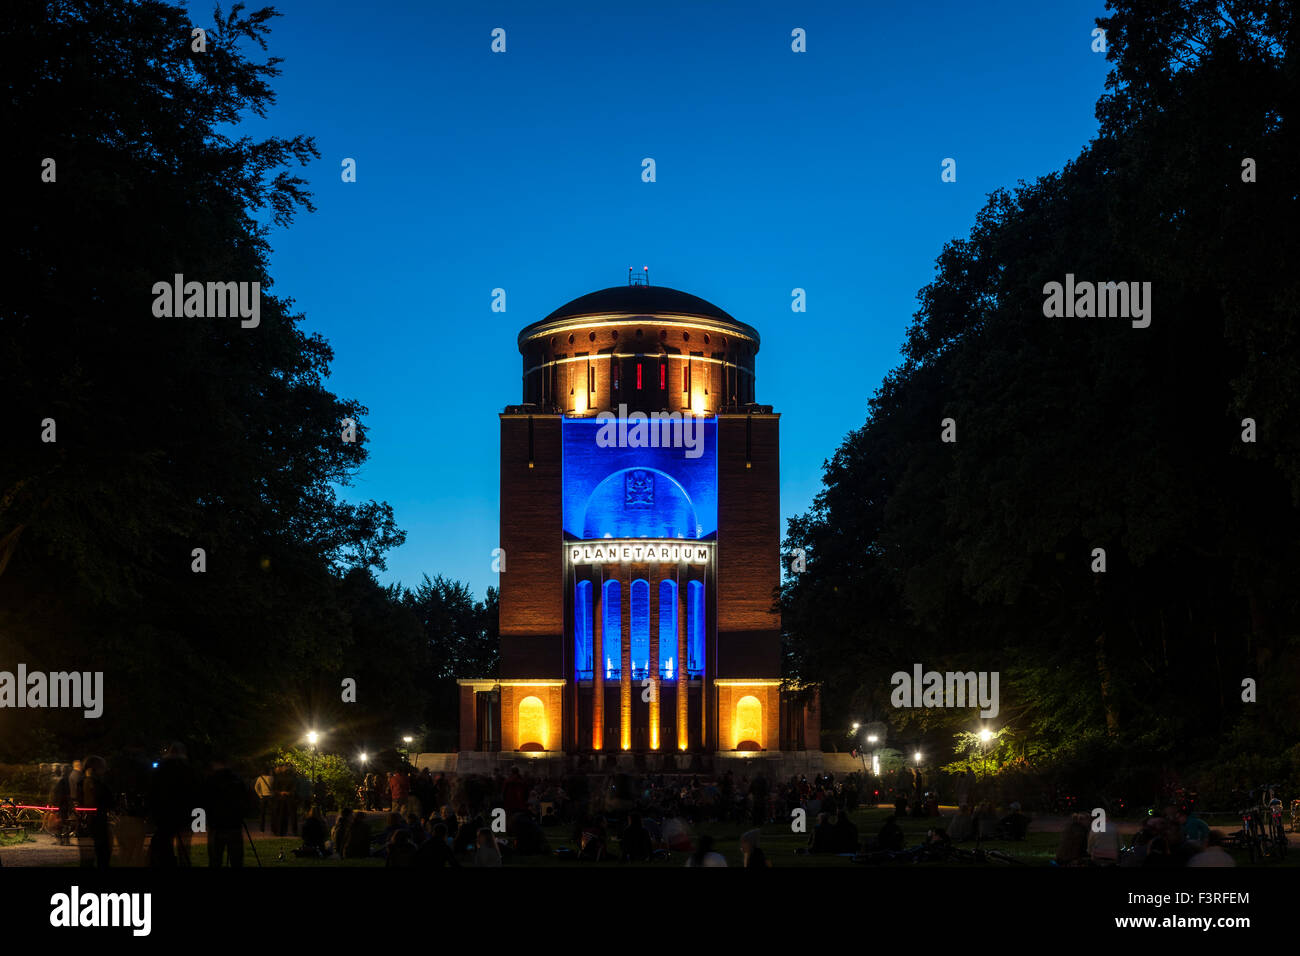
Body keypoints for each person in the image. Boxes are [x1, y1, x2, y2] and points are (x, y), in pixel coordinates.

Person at [202, 755, 248, 867]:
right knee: (236, 860)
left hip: (216, 826)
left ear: (215, 764)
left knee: (215, 860)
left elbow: (204, 801)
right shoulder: (237, 779)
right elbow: (246, 799)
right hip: (234, 825)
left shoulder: (210, 779)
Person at [80, 756, 115, 868]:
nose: (105, 770)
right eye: (102, 767)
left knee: (88, 859)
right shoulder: (97, 784)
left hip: (87, 823)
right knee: (102, 855)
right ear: (95, 768)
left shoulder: (81, 783)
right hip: (98, 822)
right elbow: (108, 801)